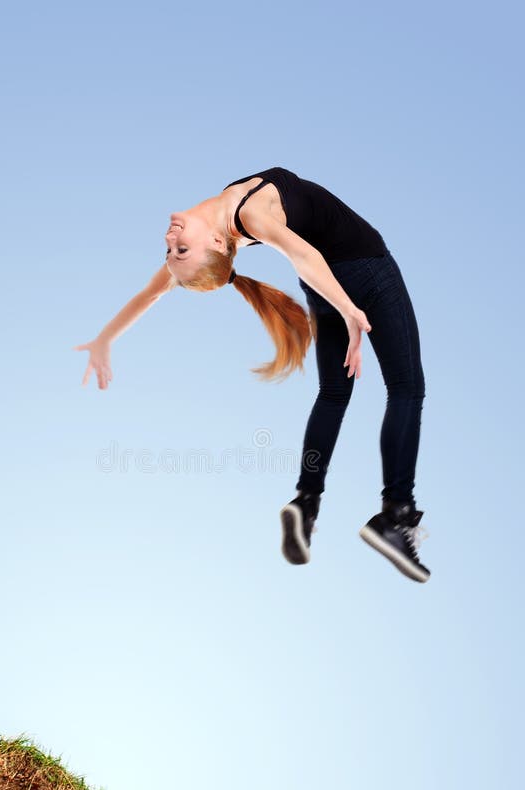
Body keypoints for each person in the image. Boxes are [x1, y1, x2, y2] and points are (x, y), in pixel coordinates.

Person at [74, 166, 429, 583]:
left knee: (333, 394)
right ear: (218, 242)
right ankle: (396, 515)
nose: (170, 242)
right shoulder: (253, 213)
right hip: (363, 268)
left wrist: (105, 338)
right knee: (406, 388)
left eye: (171, 252)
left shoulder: (230, 216)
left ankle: (305, 502)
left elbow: (151, 292)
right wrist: (350, 311)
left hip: (322, 281)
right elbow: (304, 255)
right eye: (181, 251)